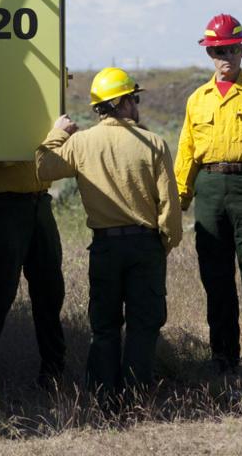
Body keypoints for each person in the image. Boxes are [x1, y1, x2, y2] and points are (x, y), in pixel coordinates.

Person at [36, 68, 182, 400]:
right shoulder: (154, 143)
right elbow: (170, 209)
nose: (137, 104)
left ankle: (103, 398)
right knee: (143, 327)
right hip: (145, 245)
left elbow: (43, 168)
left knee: (104, 328)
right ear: (124, 102)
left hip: (104, 247)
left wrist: (58, 134)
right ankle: (136, 398)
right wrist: (164, 244)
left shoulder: (81, 143)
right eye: (135, 97)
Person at [175, 13, 242, 373]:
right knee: (215, 274)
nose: (224, 57)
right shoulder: (197, 100)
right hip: (209, 189)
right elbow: (187, 151)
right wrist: (179, 199)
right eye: (216, 51)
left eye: (230, 49)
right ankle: (223, 356)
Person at [0, 161, 66, 392]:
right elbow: (4, 158)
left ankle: (53, 374)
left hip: (39, 202)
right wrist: (51, 138)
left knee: (50, 291)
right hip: (2, 207)